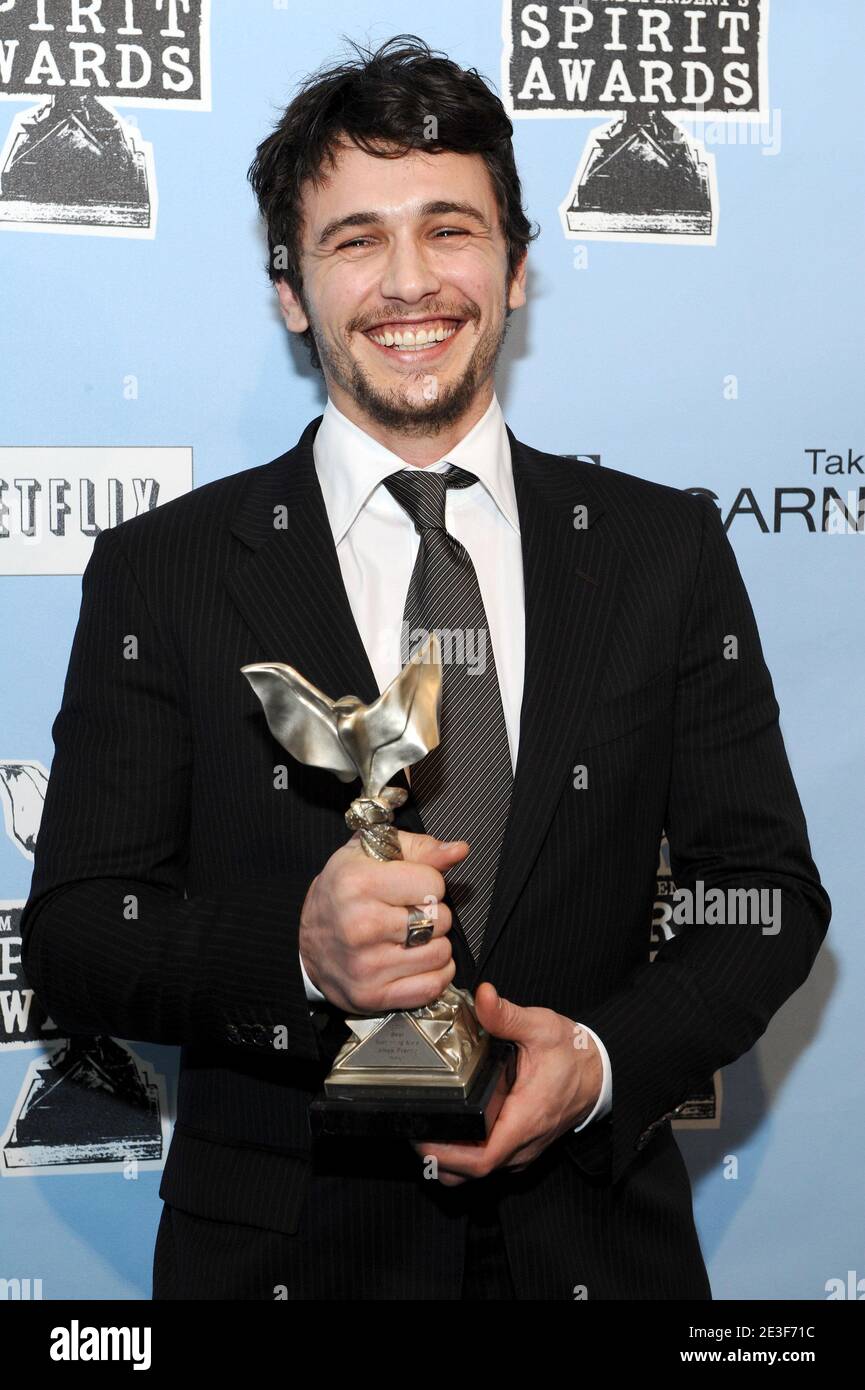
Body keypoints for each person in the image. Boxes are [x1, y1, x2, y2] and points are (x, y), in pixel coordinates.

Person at [20, 34, 830, 1301]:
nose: (410, 284)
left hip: (597, 1255)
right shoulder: (163, 569)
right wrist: (294, 953)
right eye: (353, 240)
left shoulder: (659, 551)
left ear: (514, 268)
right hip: (281, 1261)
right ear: (292, 289)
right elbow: (75, 931)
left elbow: (768, 897)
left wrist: (603, 1058)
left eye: (449, 230)